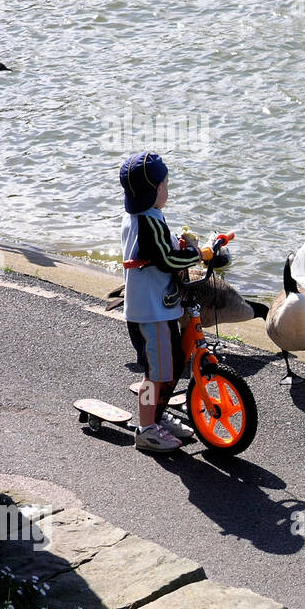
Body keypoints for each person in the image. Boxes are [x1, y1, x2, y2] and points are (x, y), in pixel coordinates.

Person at [118, 151, 212, 452]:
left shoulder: (143, 217)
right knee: (154, 374)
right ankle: (146, 428)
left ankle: (157, 416)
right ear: (156, 189)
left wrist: (180, 244)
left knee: (167, 366)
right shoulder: (147, 222)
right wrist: (198, 254)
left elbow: (159, 247)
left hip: (157, 307)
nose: (168, 191)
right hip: (150, 312)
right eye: (166, 186)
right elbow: (166, 258)